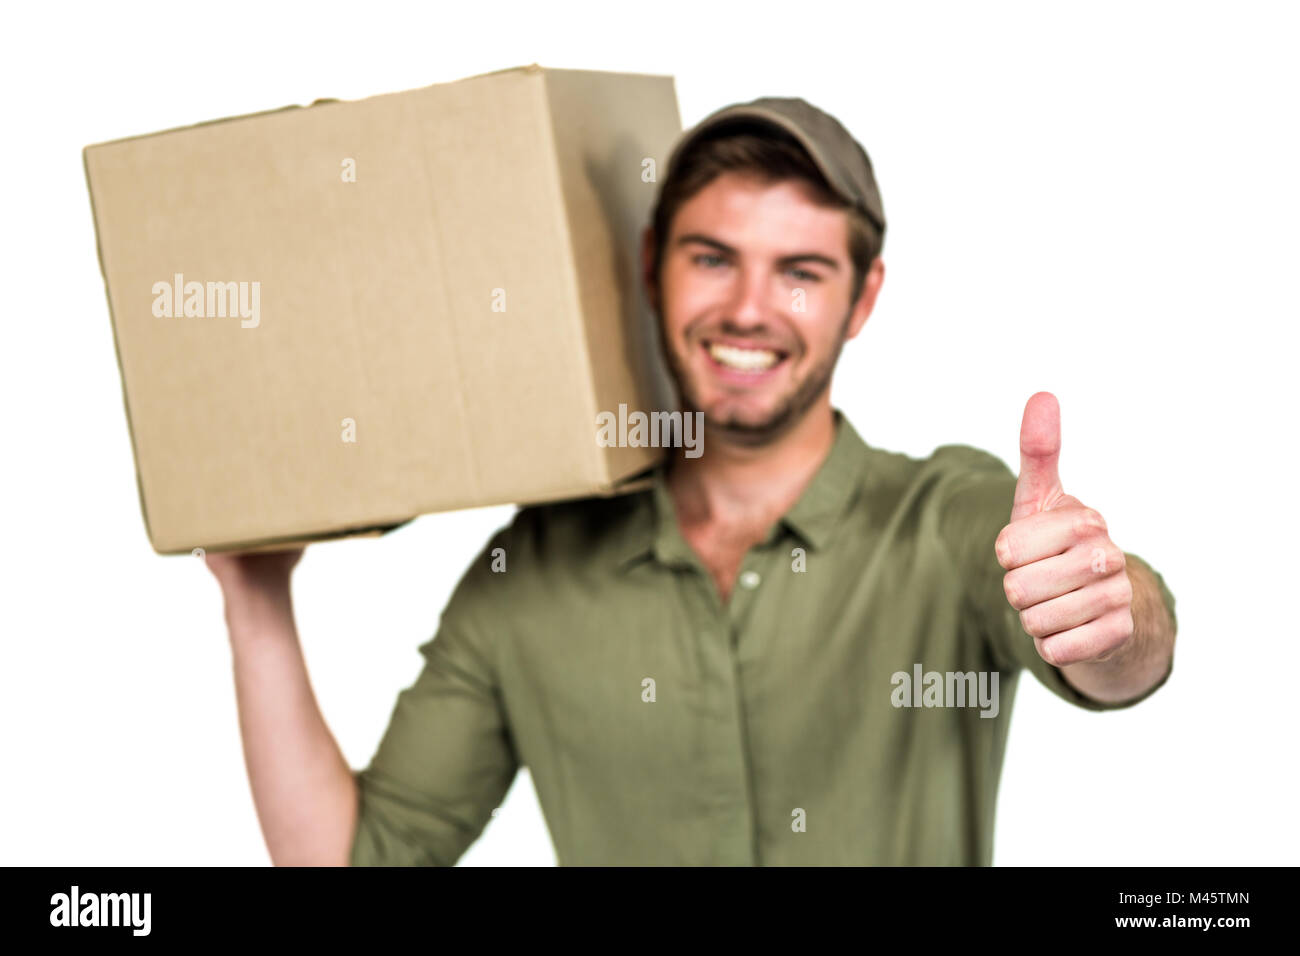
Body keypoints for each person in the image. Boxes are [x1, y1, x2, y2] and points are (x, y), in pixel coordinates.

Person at [205, 97, 1177, 866]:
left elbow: (1118, 653)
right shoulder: (531, 565)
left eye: (798, 270)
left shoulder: (942, 516)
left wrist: (1106, 612)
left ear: (862, 296)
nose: (748, 310)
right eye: (712, 258)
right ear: (651, 266)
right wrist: (256, 596)